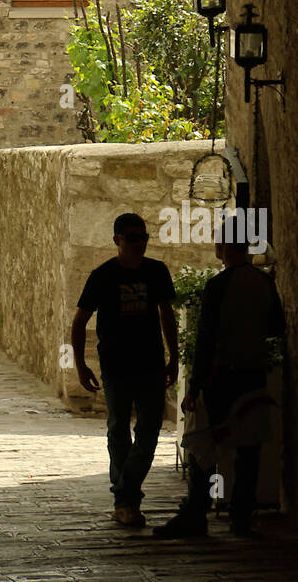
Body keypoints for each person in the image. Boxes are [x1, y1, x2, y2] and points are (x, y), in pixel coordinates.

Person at [153, 219, 286, 540]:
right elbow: (276, 328)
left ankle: (196, 512)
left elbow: (206, 340)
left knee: (205, 444)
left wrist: (194, 386)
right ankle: (241, 517)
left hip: (219, 377)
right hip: (252, 373)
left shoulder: (218, 286)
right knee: (249, 446)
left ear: (223, 245)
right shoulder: (264, 283)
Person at [70, 212, 178, 529]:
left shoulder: (157, 272)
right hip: (116, 363)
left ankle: (125, 492)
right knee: (118, 428)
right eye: (132, 238)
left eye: (143, 237)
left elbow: (166, 315)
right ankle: (126, 501)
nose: (139, 244)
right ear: (117, 240)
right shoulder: (103, 276)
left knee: (149, 430)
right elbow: (79, 321)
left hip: (150, 362)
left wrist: (173, 357)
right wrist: (80, 364)